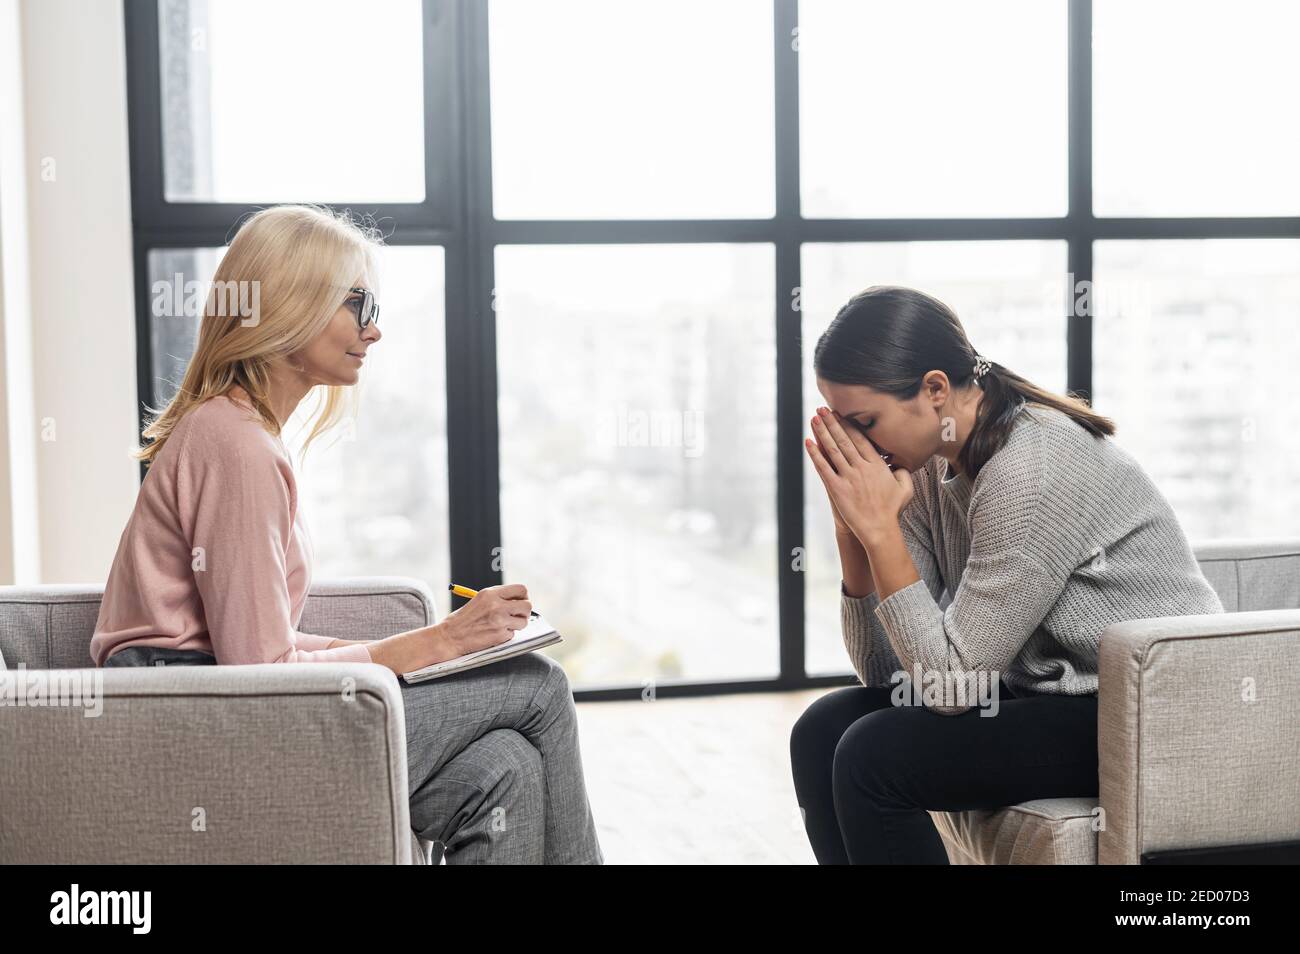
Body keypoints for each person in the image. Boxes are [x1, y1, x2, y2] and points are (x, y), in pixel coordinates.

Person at [91, 204, 603, 865]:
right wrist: (437, 640)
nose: (376, 330)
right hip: (200, 732)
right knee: (540, 685)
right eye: (357, 305)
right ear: (286, 305)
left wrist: (426, 649)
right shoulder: (237, 448)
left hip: (215, 707)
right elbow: (258, 672)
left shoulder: (238, 433)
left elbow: (258, 645)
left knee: (505, 769)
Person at [790, 284, 1223, 864]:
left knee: (875, 757)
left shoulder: (1030, 467)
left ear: (935, 390)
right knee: (824, 727)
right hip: (1043, 693)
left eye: (865, 422)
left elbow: (951, 688)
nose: (858, 448)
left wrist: (880, 532)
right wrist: (853, 529)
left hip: (1145, 710)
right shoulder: (921, 468)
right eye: (844, 428)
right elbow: (886, 671)